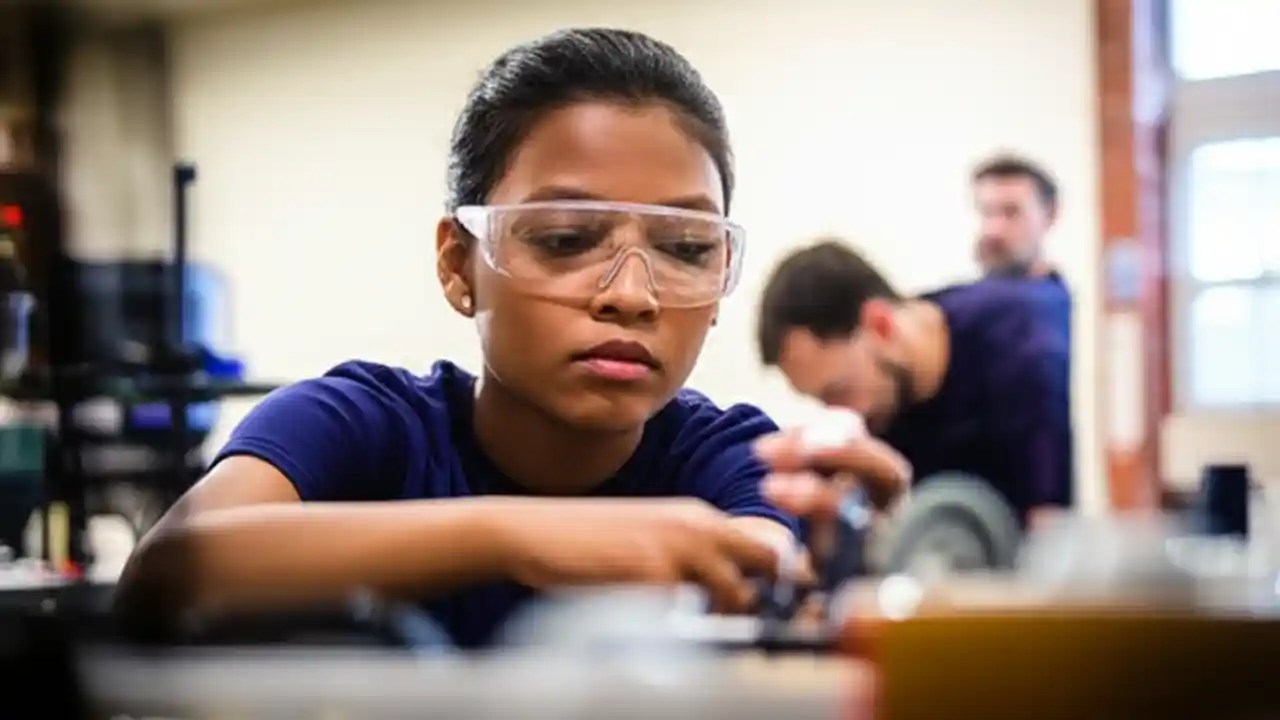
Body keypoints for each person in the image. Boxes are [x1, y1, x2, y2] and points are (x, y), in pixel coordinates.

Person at [115, 28, 907, 648]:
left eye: (685, 249)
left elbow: (758, 565)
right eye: (566, 239)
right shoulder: (361, 423)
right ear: (460, 265)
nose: (632, 295)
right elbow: (168, 572)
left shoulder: (727, 457)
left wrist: (853, 565)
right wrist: (515, 534)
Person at [757, 240, 1072, 529]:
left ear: (880, 326)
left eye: (840, 392)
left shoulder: (1025, 342)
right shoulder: (884, 409)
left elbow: (1051, 532)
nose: (844, 415)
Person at [972, 154, 1061, 280]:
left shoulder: (1047, 296)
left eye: (1011, 212)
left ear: (1051, 214)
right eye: (987, 212)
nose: (995, 229)